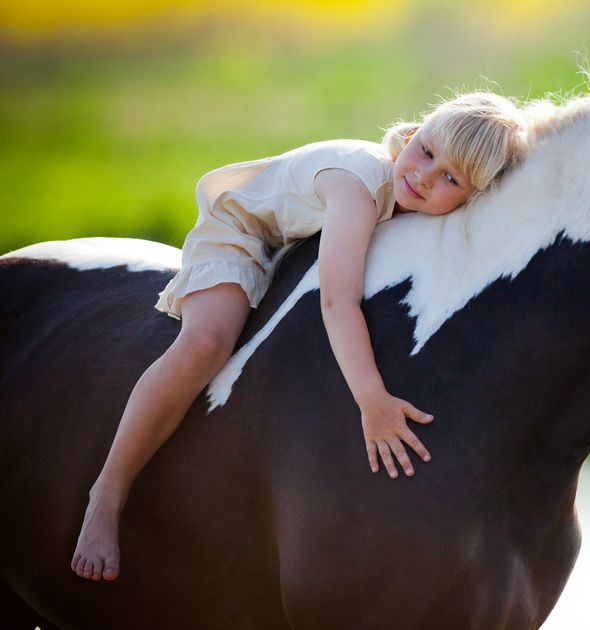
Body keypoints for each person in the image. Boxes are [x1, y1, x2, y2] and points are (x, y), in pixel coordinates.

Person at [69, 92, 529, 581]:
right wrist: (372, 399)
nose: (424, 176)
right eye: (428, 153)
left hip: (296, 248)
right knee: (207, 343)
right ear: (412, 136)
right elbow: (337, 301)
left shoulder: (409, 193)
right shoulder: (358, 187)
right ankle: (106, 495)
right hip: (244, 234)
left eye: (450, 179)